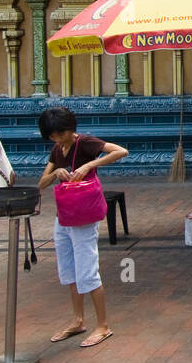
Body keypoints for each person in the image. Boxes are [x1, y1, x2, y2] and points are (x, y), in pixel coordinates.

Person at [37, 106, 128, 348]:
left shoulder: (85, 142)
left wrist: (90, 166)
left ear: (70, 129)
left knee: (87, 269)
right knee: (68, 269)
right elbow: (41, 183)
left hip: (84, 215)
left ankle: (103, 325)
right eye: (53, 136)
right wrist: (56, 171)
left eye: (60, 134)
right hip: (64, 214)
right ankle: (78, 319)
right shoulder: (58, 149)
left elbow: (121, 151)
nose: (58, 139)